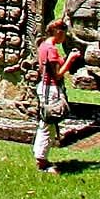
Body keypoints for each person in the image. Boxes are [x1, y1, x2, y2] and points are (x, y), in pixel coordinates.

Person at [34, 18, 80, 172]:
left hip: (44, 87)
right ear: (58, 32)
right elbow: (58, 74)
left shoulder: (43, 45)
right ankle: (41, 160)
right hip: (50, 89)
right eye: (64, 34)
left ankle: (42, 156)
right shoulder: (51, 49)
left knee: (48, 124)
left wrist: (65, 59)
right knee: (47, 125)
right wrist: (71, 60)